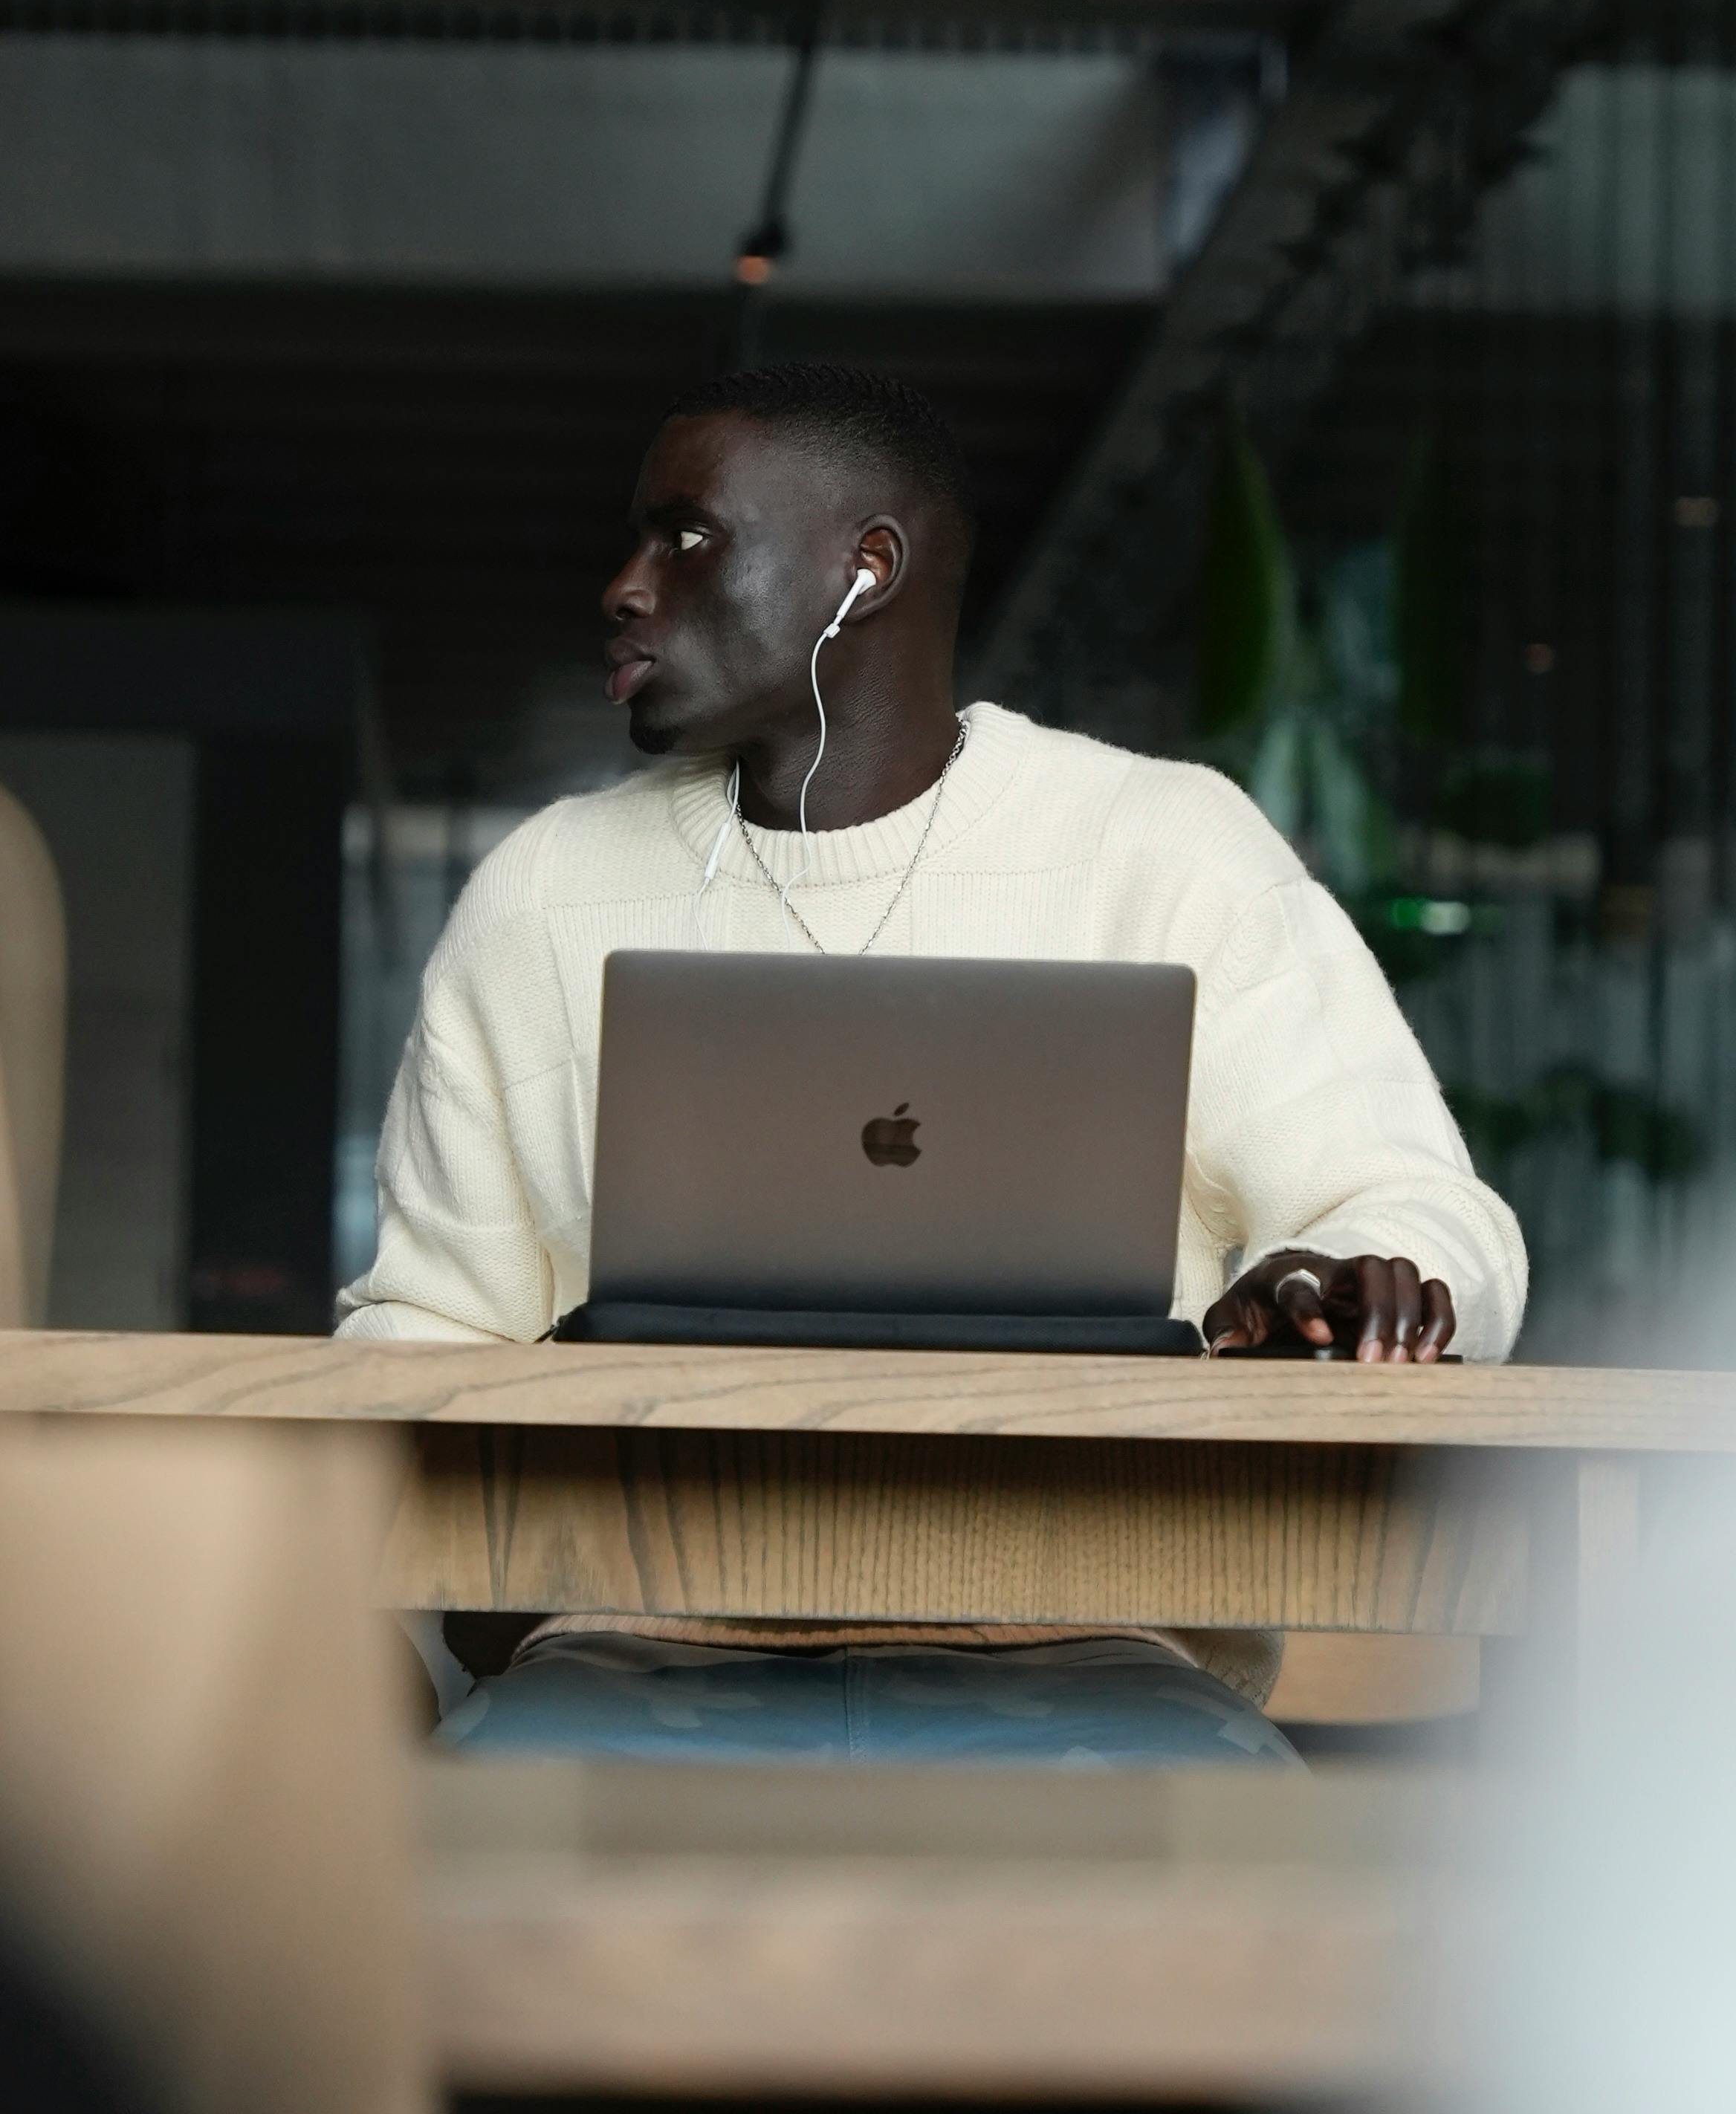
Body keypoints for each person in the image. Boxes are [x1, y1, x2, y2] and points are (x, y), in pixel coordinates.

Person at [339, 363, 1526, 1764]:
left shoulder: (1162, 848)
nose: (626, 585)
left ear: (869, 566)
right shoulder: (539, 897)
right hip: (626, 1646)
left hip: (1104, 1653)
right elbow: (414, 1346)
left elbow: (1424, 1211)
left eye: (688, 536)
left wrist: (1360, 1281)